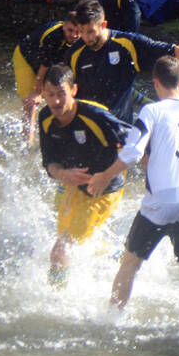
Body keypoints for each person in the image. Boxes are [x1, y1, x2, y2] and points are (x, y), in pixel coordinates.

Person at [86, 56, 179, 312]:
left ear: (155, 83)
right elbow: (173, 150)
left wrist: (104, 176)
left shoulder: (152, 110)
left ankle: (111, 318)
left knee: (131, 262)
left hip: (160, 201)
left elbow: (132, 154)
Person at [35, 65, 130, 285]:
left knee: (60, 251)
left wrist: (107, 175)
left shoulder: (95, 115)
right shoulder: (46, 117)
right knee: (65, 237)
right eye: (50, 95)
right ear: (42, 92)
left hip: (105, 191)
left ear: (74, 90)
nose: (56, 101)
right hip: (75, 188)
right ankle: (117, 255)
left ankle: (56, 298)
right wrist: (63, 173)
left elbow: (135, 142)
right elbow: (49, 162)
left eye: (62, 94)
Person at [65, 0, 179, 122]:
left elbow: (167, 50)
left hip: (120, 127)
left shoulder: (127, 45)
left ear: (103, 25)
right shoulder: (75, 53)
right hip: (88, 125)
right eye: (82, 32)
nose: (86, 37)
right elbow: (66, 88)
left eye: (91, 31)